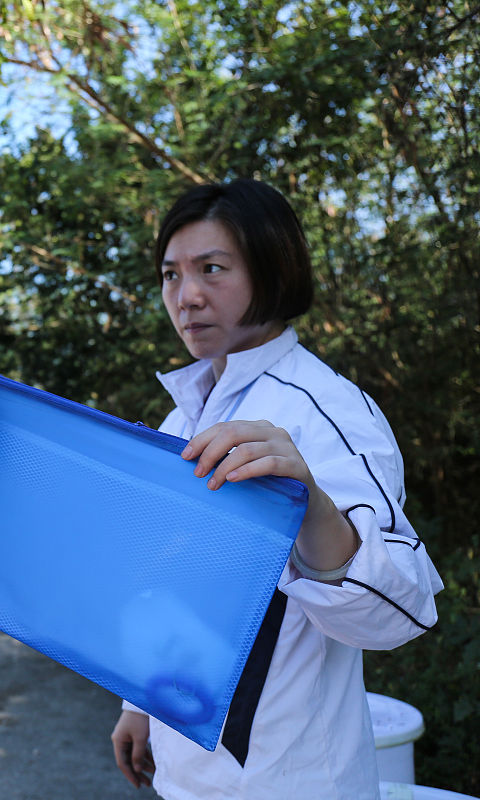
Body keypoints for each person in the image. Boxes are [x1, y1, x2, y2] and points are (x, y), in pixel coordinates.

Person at [109, 179, 443, 799]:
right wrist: (137, 705)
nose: (187, 297)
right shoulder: (181, 419)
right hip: (182, 776)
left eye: (212, 269)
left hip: (290, 780)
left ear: (271, 269)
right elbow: (167, 580)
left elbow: (399, 611)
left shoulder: (328, 411)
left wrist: (310, 503)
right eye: (170, 275)